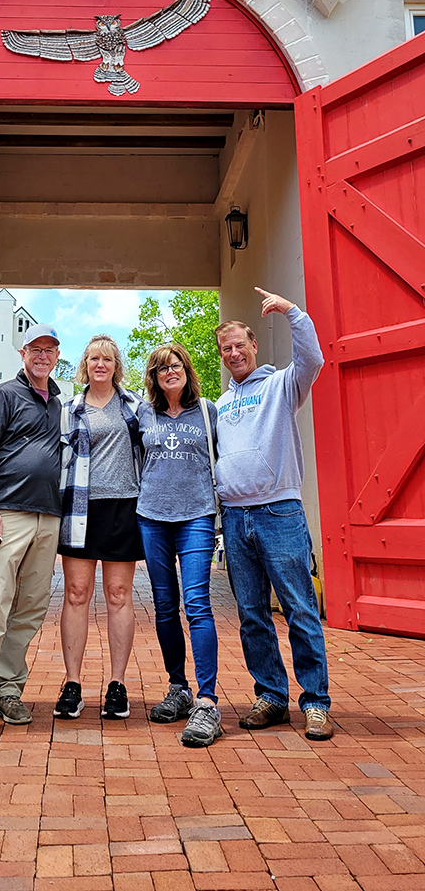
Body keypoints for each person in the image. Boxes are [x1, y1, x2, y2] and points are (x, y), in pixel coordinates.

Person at [215, 286, 332, 741]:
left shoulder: (282, 385)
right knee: (251, 615)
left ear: (254, 346)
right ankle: (270, 696)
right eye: (226, 348)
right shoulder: (221, 406)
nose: (233, 353)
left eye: (240, 345)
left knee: (300, 610)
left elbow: (314, 361)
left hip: (279, 513)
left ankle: (316, 703)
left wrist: (292, 312)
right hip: (237, 518)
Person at [0, 323, 62, 745]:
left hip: (49, 517)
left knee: (31, 609)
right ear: (23, 353)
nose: (43, 356)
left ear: (58, 356)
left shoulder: (59, 403)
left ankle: (8, 689)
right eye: (36, 349)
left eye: (50, 350)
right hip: (8, 515)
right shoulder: (4, 395)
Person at [136, 343, 222, 747]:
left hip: (197, 517)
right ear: (153, 377)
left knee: (197, 603)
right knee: (166, 606)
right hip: (151, 516)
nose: (170, 372)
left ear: (187, 369)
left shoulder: (208, 411)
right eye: (161, 368)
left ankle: (207, 701)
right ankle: (178, 688)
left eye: (176, 365)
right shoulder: (143, 414)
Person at [55, 335, 144, 722]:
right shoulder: (68, 408)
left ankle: (117, 684)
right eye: (94, 358)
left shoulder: (136, 407)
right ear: (85, 365)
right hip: (78, 508)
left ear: (116, 365)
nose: (101, 364)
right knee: (76, 594)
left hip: (124, 507)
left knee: (119, 595)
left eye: (108, 358)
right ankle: (73, 685)